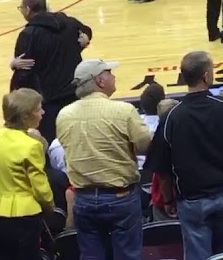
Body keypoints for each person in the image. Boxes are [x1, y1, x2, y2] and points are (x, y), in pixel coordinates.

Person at [145, 51, 223, 260]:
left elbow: (162, 169)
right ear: (207, 76)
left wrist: (169, 199)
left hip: (191, 201)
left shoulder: (171, 117)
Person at [56, 59, 152, 260]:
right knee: (128, 255)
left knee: (91, 255)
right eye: (109, 72)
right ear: (100, 80)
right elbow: (146, 145)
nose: (114, 76)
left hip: (83, 198)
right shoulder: (123, 110)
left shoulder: (63, 115)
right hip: (120, 197)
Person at [0, 89, 56, 260]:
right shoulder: (31, 145)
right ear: (25, 116)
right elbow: (40, 187)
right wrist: (49, 207)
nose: (43, 113)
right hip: (23, 216)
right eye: (38, 109)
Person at [9, 0, 92, 141]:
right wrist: (85, 40)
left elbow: (24, 68)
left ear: (27, 9)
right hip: (74, 90)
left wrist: (14, 67)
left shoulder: (29, 34)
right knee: (77, 135)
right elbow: (86, 31)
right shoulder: (70, 23)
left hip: (48, 98)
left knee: (52, 139)